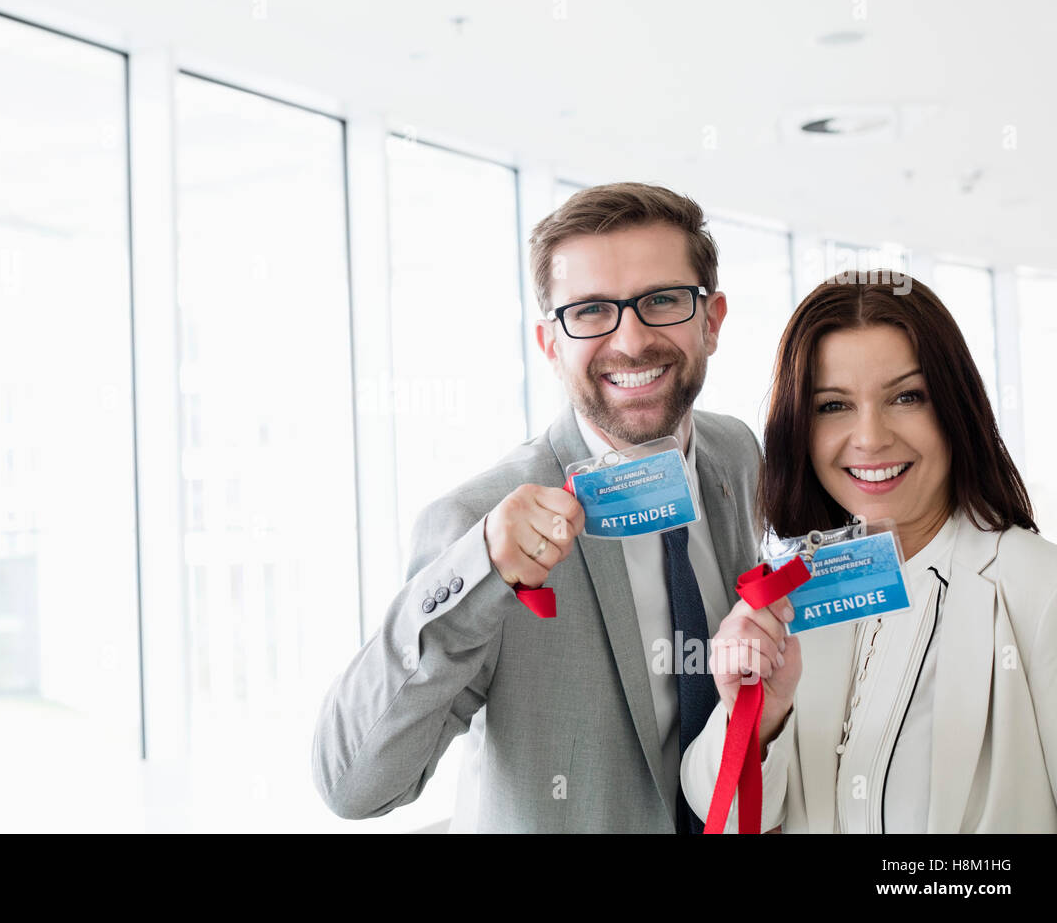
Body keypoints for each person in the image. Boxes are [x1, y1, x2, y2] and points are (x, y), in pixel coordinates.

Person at [312, 182, 765, 832]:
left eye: (662, 301)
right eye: (589, 312)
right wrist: (480, 571)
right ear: (550, 343)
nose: (631, 341)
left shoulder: (735, 453)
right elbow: (353, 786)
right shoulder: (475, 522)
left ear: (711, 320)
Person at [681, 272, 1057, 833]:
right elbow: (733, 816)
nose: (870, 437)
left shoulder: (1039, 587)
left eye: (907, 396)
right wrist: (757, 715)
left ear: (956, 409)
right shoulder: (794, 597)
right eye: (833, 405)